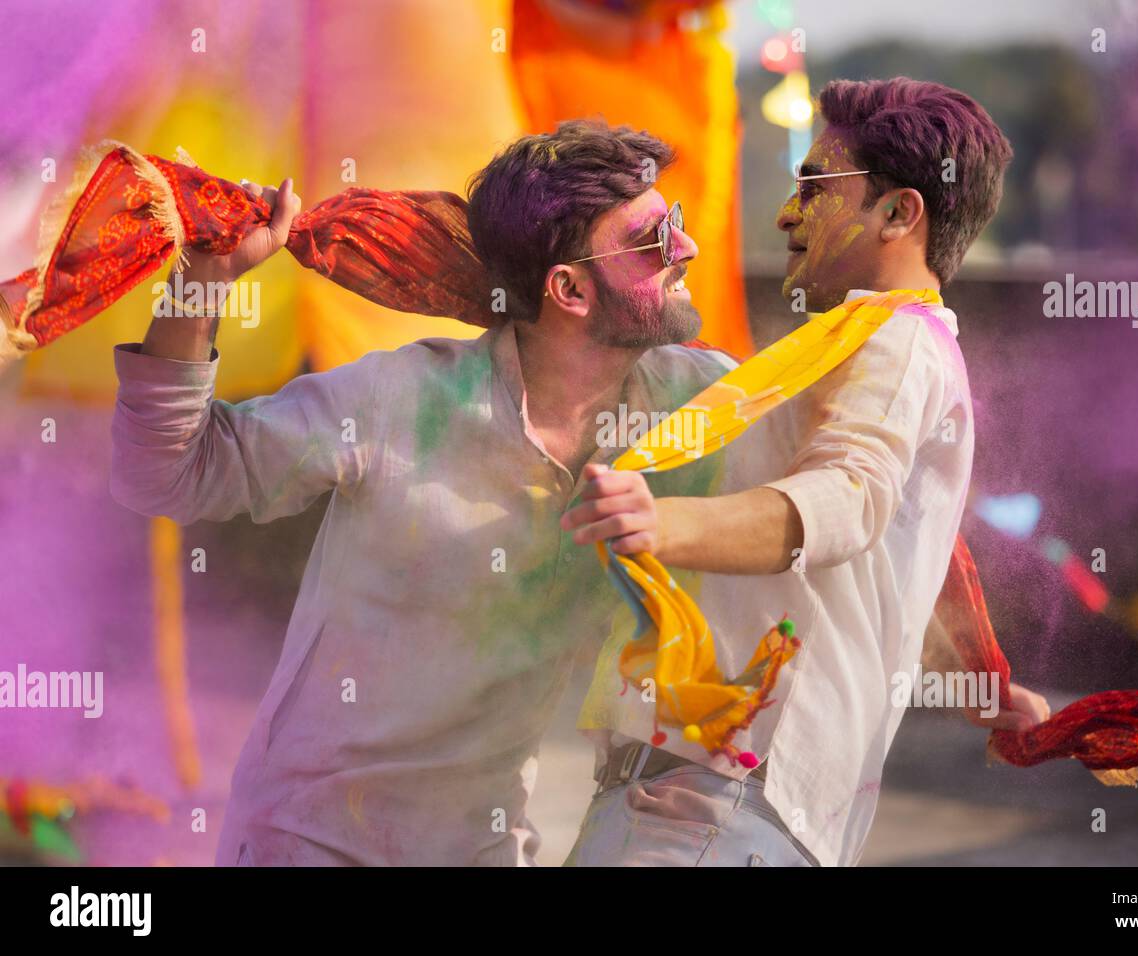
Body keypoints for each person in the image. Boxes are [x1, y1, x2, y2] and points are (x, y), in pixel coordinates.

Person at [109, 119, 733, 865]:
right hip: (309, 840)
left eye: (679, 225)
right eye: (654, 239)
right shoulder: (399, 401)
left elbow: (848, 444)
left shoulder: (698, 407)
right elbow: (165, 473)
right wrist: (201, 282)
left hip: (485, 844)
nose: (687, 249)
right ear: (568, 288)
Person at [563, 77, 1050, 867]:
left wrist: (661, 522)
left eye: (815, 189)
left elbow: (851, 498)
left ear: (899, 214)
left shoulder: (894, 342)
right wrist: (982, 685)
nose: (787, 214)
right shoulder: (869, 345)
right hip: (720, 803)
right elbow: (910, 547)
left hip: (713, 807)